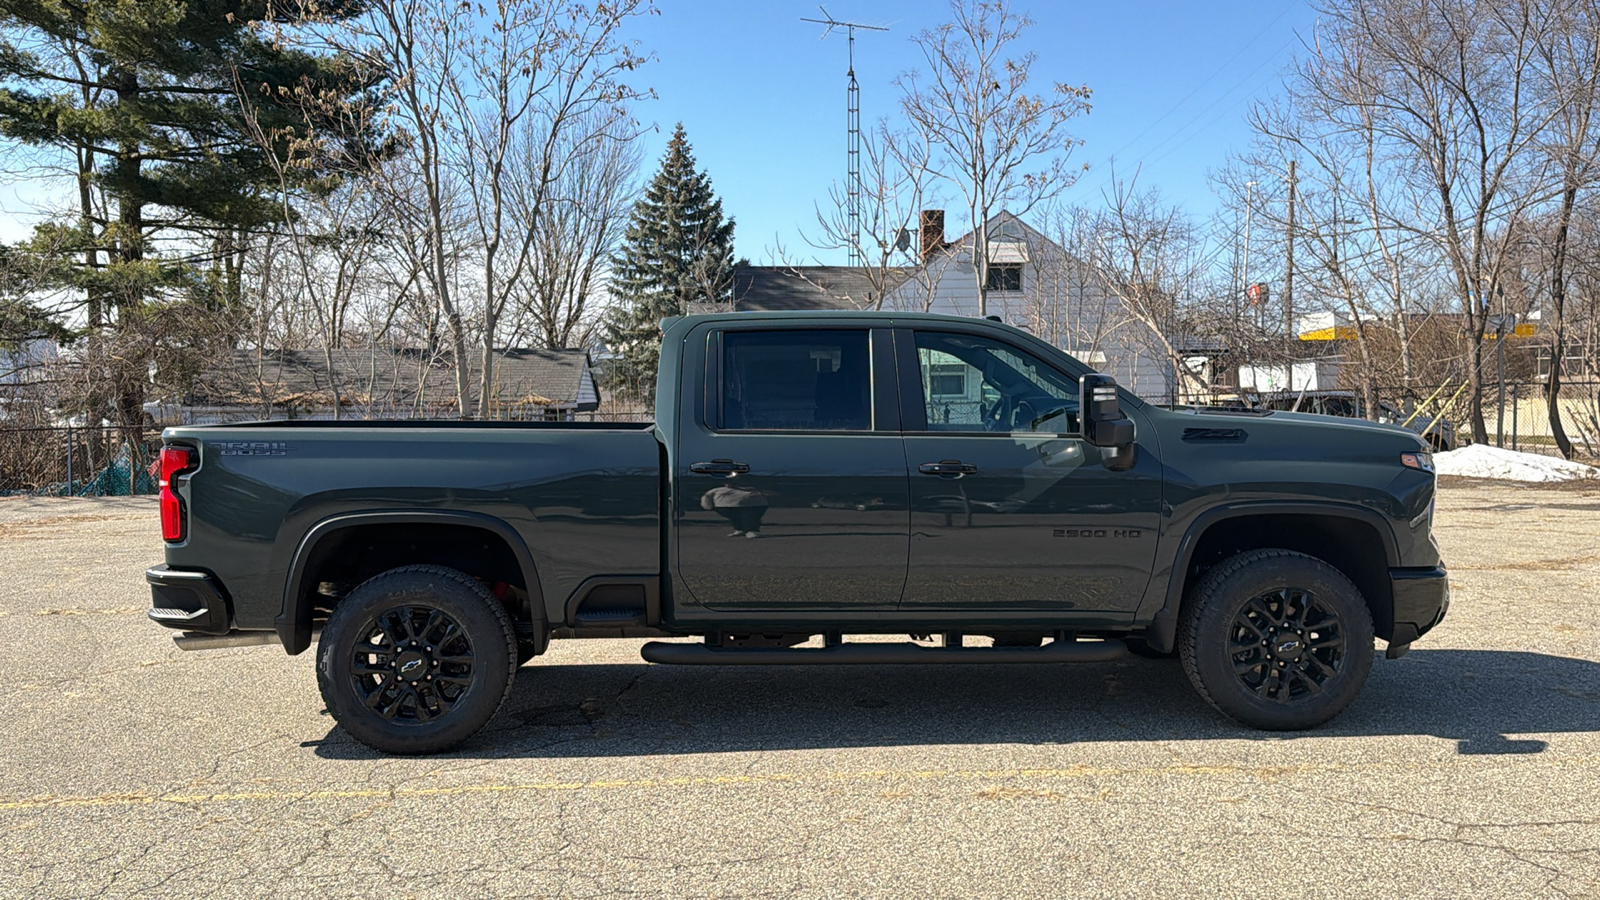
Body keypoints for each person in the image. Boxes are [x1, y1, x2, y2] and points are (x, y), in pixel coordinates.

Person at [700, 483, 769, 538]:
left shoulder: (717, 490)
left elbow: (706, 496)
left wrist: (707, 506)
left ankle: (750, 530)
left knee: (746, 517)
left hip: (752, 504)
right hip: (754, 504)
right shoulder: (718, 490)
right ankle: (743, 529)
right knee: (743, 517)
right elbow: (707, 496)